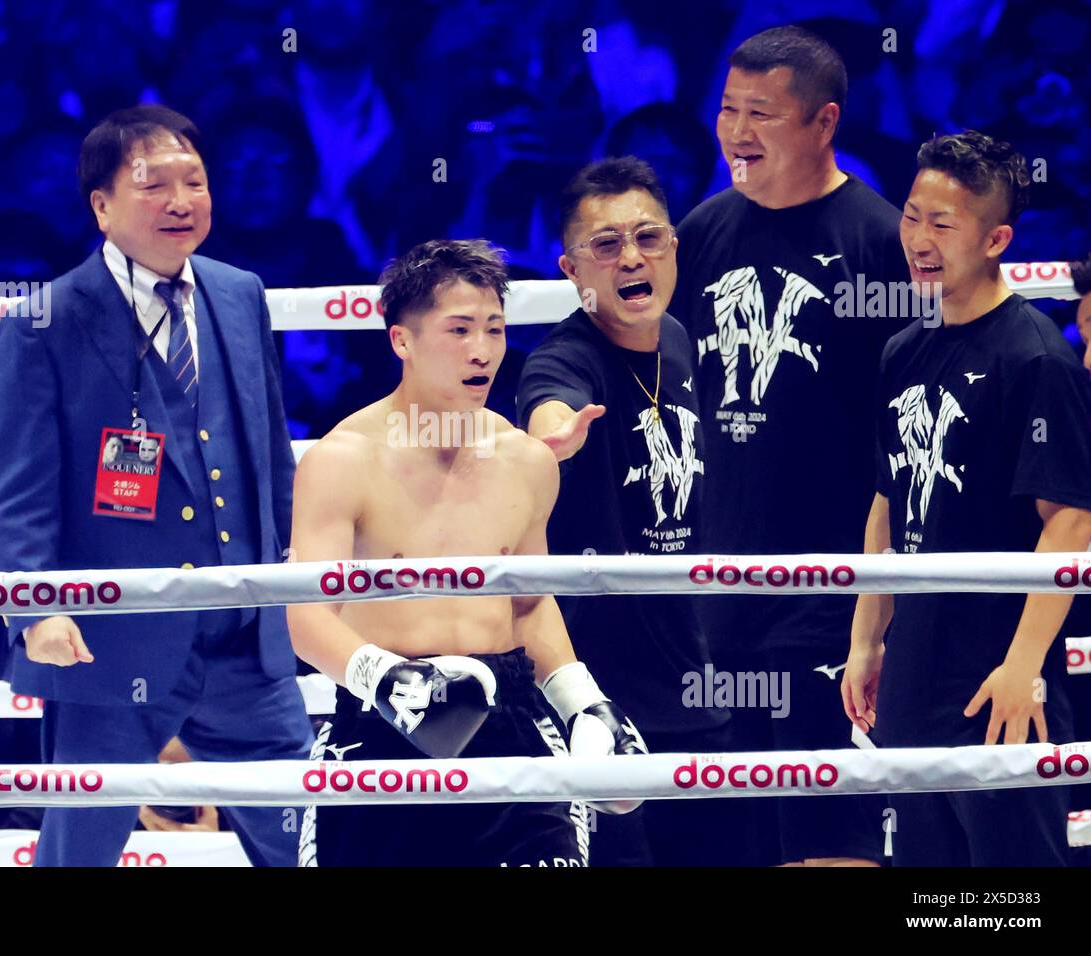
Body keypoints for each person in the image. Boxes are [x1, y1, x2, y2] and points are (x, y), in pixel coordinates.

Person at [0, 104, 311, 867]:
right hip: (109, 638)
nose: (180, 201)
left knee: (302, 838)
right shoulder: (45, 318)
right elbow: (15, 486)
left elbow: (267, 451)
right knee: (79, 849)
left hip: (242, 632)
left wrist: (302, 575)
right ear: (100, 204)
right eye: (153, 184)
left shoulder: (238, 292)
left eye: (194, 181)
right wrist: (36, 606)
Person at [288, 239, 646, 867]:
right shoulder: (341, 461)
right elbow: (308, 617)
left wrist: (582, 701)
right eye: (459, 330)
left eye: (494, 329)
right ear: (402, 341)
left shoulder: (525, 461)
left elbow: (530, 605)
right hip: (378, 729)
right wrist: (389, 680)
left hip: (510, 723)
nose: (482, 351)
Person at [668, 25, 905, 866]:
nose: (736, 131)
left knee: (828, 825)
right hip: (715, 578)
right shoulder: (699, 232)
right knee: (739, 830)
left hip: (832, 584)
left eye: (760, 113)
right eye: (728, 109)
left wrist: (876, 608)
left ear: (823, 121)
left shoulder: (880, 240)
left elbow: (904, 426)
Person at [845, 131, 1091, 866]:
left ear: (997, 239)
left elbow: (1071, 519)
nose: (919, 239)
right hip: (916, 666)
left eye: (942, 224)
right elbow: (889, 501)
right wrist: (866, 640)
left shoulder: (1036, 355)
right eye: (913, 216)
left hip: (998, 674)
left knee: (1013, 899)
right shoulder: (903, 350)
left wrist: (1023, 667)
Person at [516, 156, 733, 866]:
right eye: (605, 246)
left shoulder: (684, 341)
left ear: (675, 246)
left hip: (702, 677)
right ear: (570, 269)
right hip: (604, 691)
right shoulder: (562, 360)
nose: (630, 258)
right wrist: (552, 441)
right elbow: (549, 408)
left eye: (647, 238)